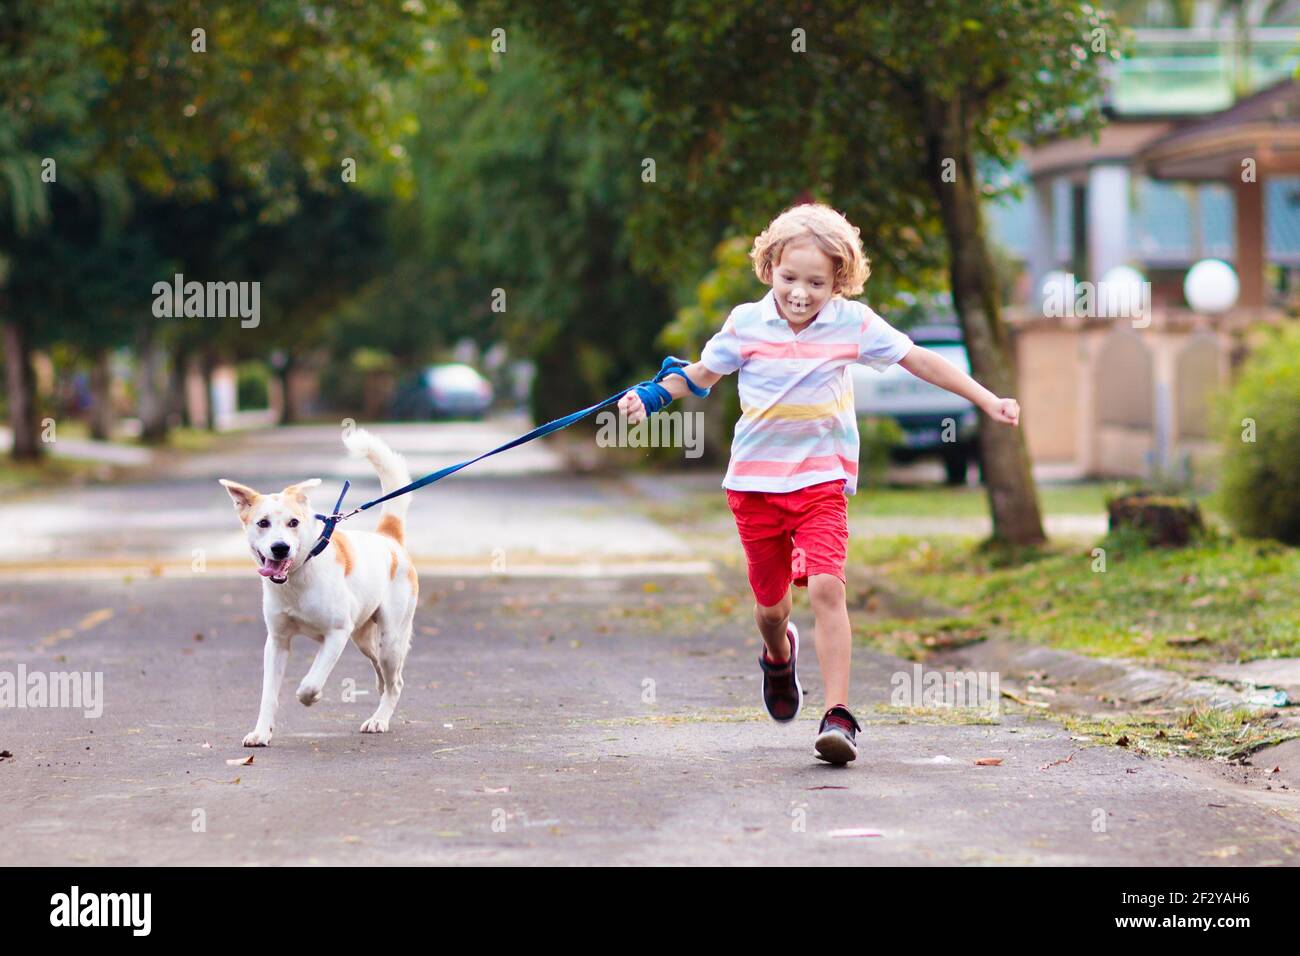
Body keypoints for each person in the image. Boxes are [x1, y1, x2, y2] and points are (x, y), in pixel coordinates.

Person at [620, 203, 1020, 765]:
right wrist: (654, 396)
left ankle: (839, 717)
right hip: (755, 487)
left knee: (830, 587)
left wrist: (986, 399)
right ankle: (778, 658)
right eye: (789, 279)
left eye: (816, 282)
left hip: (821, 483)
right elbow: (700, 375)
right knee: (771, 609)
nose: (801, 293)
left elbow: (918, 360)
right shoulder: (745, 324)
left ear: (839, 280)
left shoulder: (852, 324)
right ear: (769, 269)